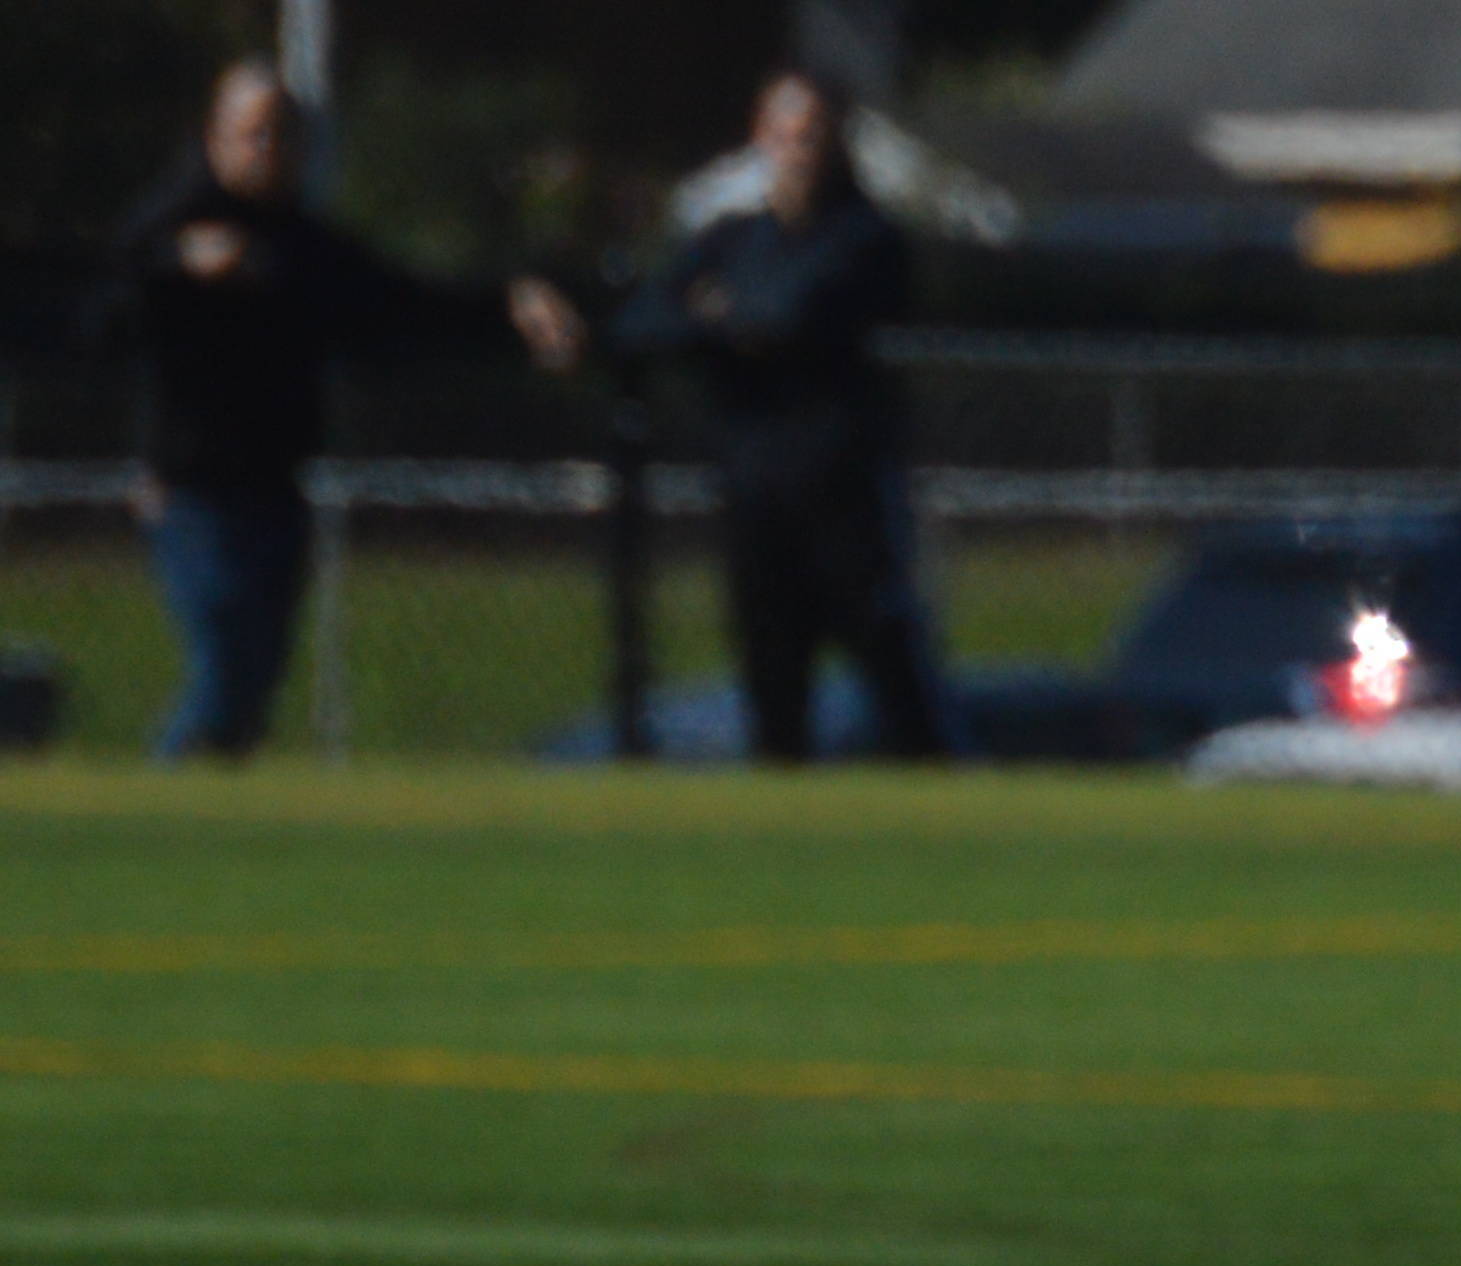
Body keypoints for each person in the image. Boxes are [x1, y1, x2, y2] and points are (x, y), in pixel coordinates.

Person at [97, 64, 581, 762]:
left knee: (254, 682)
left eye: (283, 134)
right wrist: (176, 264)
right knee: (224, 665)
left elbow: (407, 304)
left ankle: (215, 831)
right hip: (191, 494)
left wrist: (509, 304)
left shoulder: (303, 248)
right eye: (252, 133)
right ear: (215, 138)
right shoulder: (172, 227)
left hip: (273, 490)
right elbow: (103, 306)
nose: (267, 149)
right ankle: (158, 806)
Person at [614, 73, 948, 766]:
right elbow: (646, 321)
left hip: (841, 493)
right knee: (770, 676)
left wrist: (716, 314)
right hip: (752, 490)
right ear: (761, 139)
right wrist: (718, 319)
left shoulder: (864, 238)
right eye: (785, 136)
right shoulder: (731, 240)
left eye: (813, 136)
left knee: (889, 667)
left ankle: (936, 802)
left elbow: (790, 313)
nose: (799, 152)